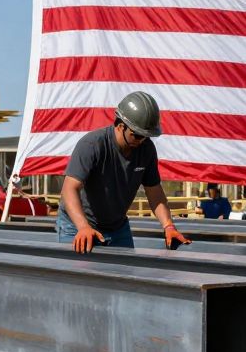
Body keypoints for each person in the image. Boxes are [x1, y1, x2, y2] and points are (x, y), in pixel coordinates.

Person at [57, 91, 189, 253]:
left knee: (124, 274)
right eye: (137, 136)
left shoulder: (146, 149)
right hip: (77, 225)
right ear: (120, 126)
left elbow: (154, 192)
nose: (142, 141)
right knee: (81, 276)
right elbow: (69, 188)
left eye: (146, 136)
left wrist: (168, 225)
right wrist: (83, 226)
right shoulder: (92, 145)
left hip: (117, 227)